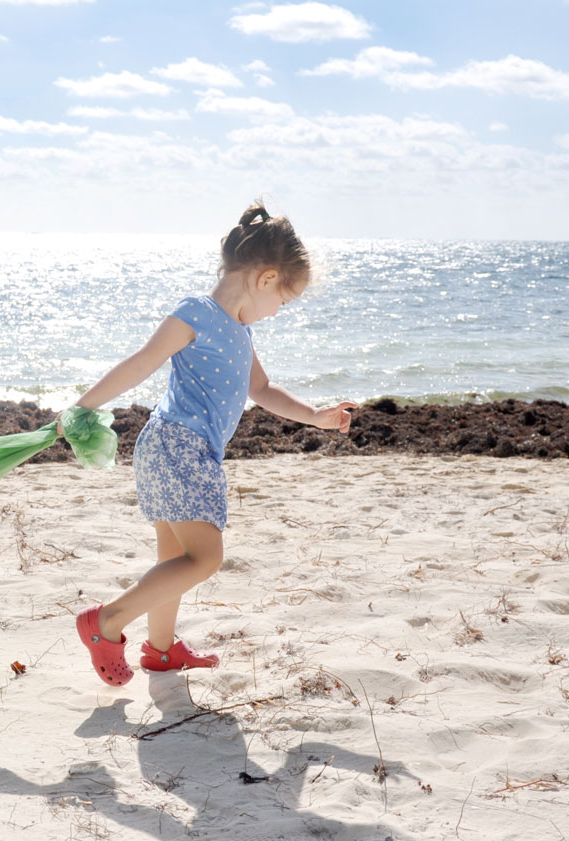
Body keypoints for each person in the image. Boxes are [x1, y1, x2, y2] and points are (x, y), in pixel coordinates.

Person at [65, 202, 356, 686]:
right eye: (283, 302)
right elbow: (141, 363)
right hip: (176, 446)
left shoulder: (239, 331)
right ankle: (107, 622)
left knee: (173, 559)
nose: (277, 312)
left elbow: (261, 389)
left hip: (184, 450)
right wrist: (80, 409)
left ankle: (161, 651)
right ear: (266, 279)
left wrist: (314, 416)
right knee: (204, 558)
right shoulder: (197, 313)